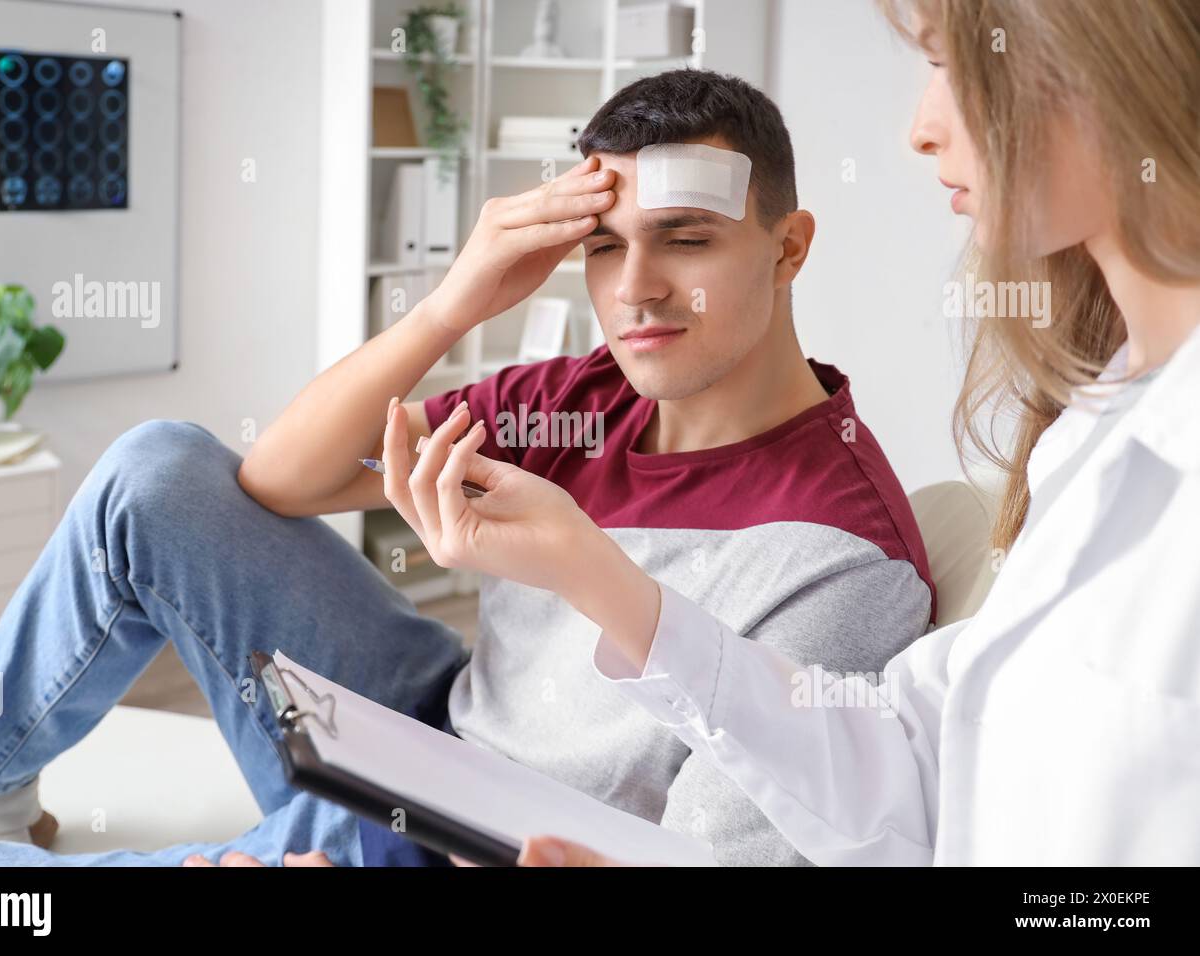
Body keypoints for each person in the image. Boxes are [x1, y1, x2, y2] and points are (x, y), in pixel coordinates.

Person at [0, 70, 933, 866]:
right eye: (604, 247)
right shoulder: (577, 400)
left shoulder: (838, 557)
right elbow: (278, 478)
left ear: (788, 246)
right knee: (157, 467)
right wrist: (452, 304)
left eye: (685, 239)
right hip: (435, 731)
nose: (636, 291)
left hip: (473, 843)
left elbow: (691, 858)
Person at [384, 0, 1200, 866]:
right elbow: (903, 781)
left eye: (946, 63)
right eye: (604, 248)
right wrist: (591, 574)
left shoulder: (844, 549)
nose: (919, 132)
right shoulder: (1093, 435)